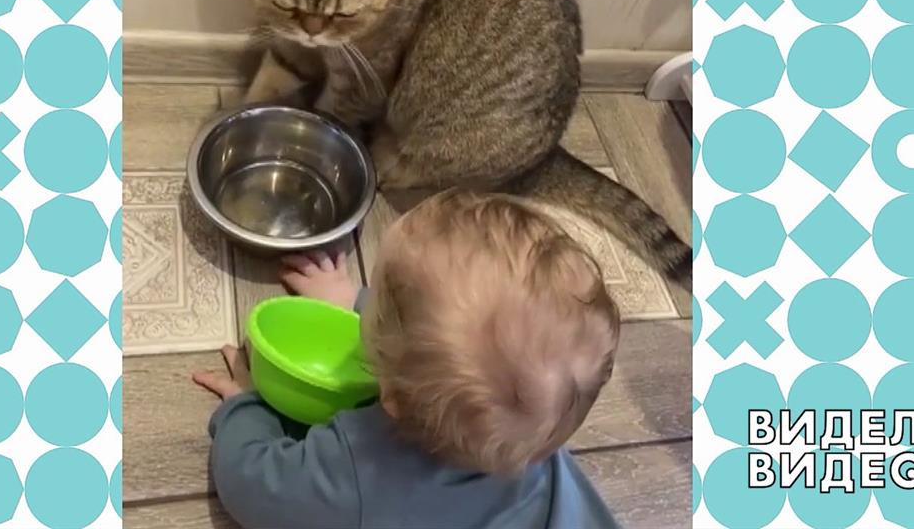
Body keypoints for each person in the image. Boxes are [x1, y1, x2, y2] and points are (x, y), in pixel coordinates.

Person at [194, 191, 622, 528]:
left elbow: (248, 481)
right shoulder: (527, 425)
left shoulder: (356, 473)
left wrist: (245, 406)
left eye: (378, 298)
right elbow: (448, 343)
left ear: (393, 398)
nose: (370, 300)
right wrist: (350, 298)